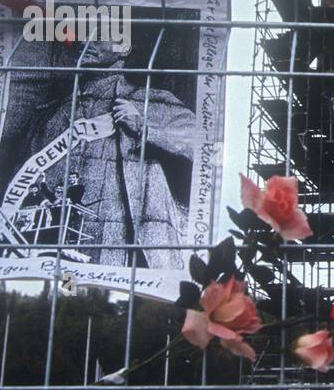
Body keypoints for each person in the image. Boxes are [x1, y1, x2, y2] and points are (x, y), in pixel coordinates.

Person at [16, 39, 198, 269]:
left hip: (120, 243)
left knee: (108, 302)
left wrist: (145, 128)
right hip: (54, 242)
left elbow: (204, 148)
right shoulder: (49, 116)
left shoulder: (153, 102)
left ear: (123, 46)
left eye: (99, 33)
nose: (85, 40)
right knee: (69, 301)